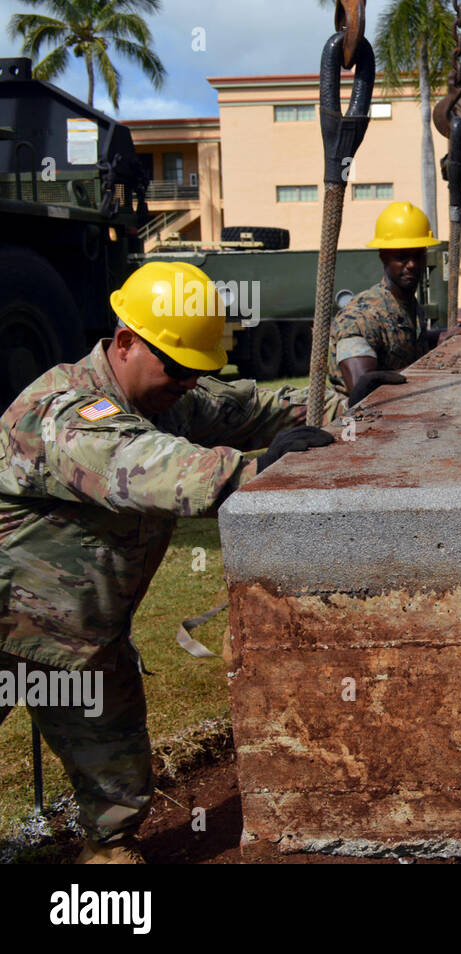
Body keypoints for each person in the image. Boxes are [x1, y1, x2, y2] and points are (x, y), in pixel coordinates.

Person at [0, 260, 342, 863]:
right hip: (5, 631)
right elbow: (144, 469)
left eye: (197, 371)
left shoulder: (167, 399)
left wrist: (341, 400)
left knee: (119, 801)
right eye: (178, 367)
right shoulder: (62, 412)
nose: (189, 382)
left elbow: (248, 408)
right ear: (127, 342)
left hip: (83, 645)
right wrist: (254, 470)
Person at [328, 200, 458, 406]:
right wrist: (432, 371)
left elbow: (406, 342)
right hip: (356, 421)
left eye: (418, 256)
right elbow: (363, 388)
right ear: (383, 257)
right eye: (402, 257)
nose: (412, 265)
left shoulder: (408, 304)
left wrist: (447, 336)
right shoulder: (360, 317)